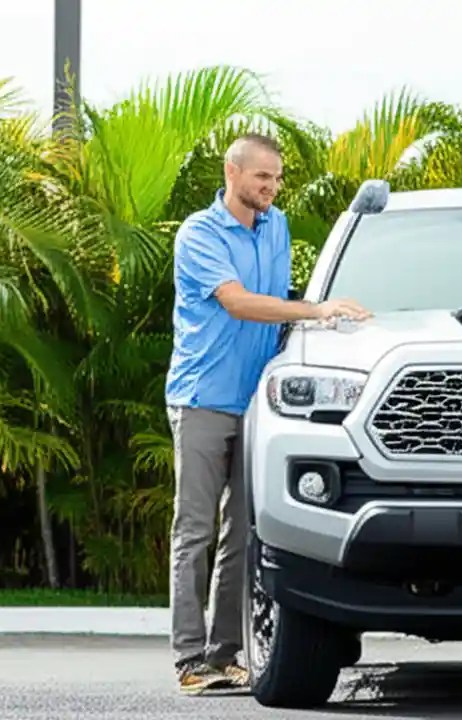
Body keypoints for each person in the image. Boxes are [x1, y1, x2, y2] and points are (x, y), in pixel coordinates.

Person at [164, 133, 371, 694]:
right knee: (195, 529)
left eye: (277, 178)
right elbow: (238, 302)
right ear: (232, 174)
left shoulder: (274, 226)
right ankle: (189, 659)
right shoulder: (200, 233)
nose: (272, 188)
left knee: (242, 532)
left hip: (258, 401)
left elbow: (280, 300)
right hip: (203, 398)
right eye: (263, 177)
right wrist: (317, 310)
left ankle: (225, 652)